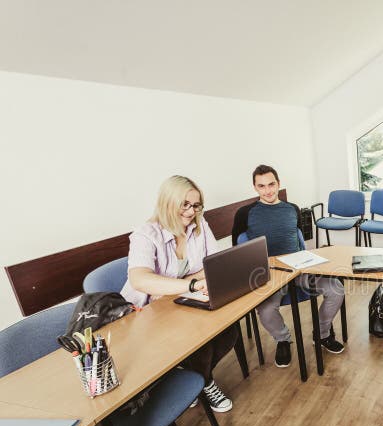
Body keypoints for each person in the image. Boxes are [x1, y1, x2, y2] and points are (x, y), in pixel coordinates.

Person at [121, 175, 237, 412]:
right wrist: (191, 284)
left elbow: (214, 264)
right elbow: (140, 279)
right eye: (184, 204)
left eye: (196, 205)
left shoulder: (200, 226)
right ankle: (204, 383)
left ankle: (193, 379)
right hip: (146, 313)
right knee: (199, 341)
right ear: (167, 202)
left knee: (229, 331)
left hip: (180, 301)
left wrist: (181, 284)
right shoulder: (145, 235)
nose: (190, 212)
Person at [231, 165, 345, 368]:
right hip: (268, 273)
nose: (268, 190)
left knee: (336, 289)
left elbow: (299, 240)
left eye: (271, 184)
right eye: (262, 186)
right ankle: (283, 339)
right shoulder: (244, 213)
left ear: (279, 184)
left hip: (299, 269)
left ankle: (322, 333)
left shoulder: (292, 209)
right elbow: (237, 250)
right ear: (255, 188)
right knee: (265, 310)